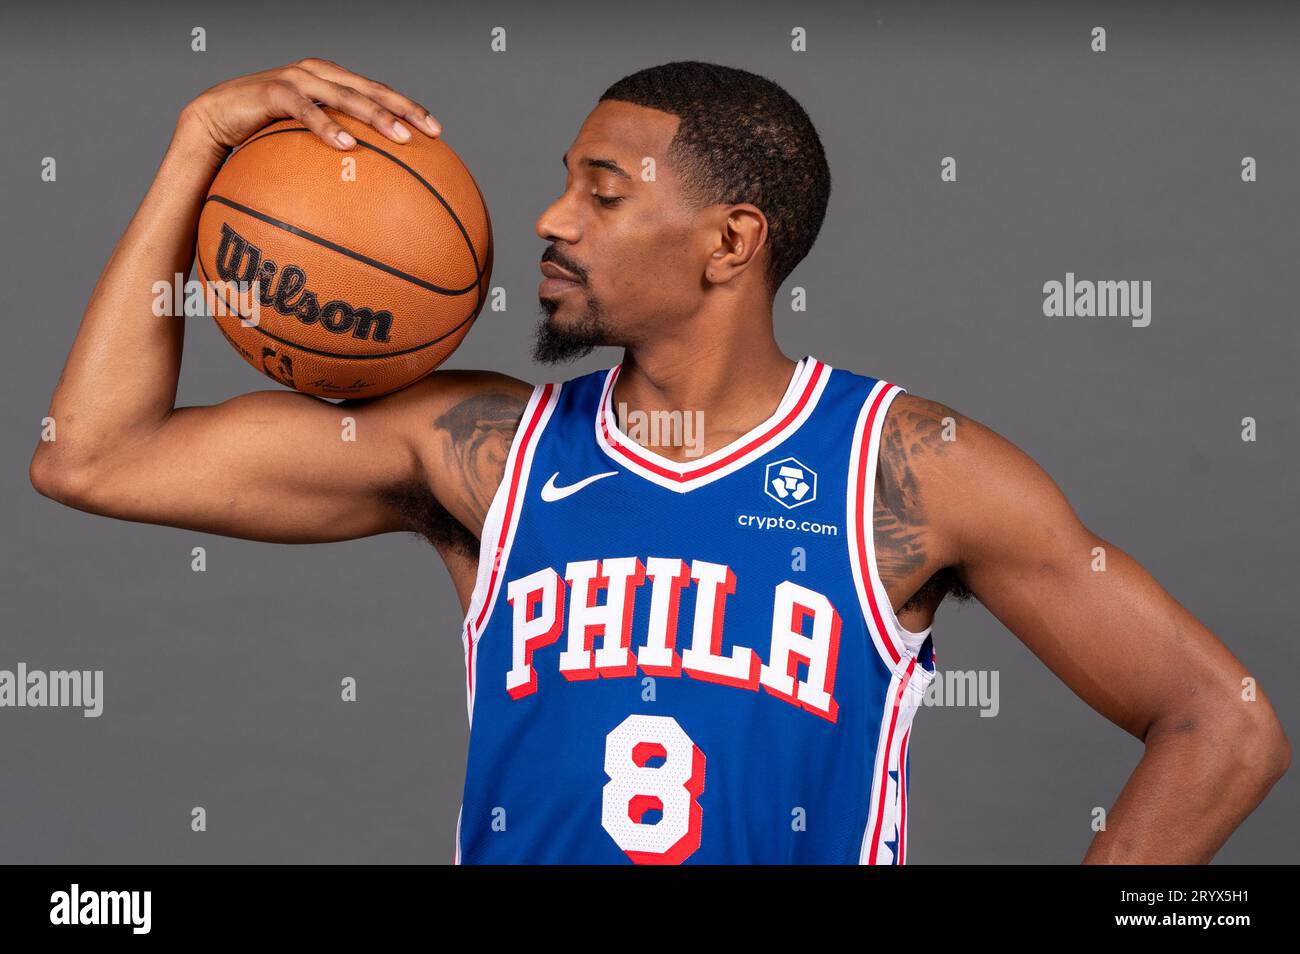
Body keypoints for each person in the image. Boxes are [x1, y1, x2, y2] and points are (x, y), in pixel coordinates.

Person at [30, 58, 1288, 864]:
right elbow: (93, 456)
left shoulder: (907, 470)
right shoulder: (477, 450)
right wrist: (199, 141)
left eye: (601, 192)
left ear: (729, 242)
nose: (547, 220)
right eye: (559, 186)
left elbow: (1220, 727)